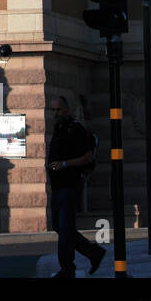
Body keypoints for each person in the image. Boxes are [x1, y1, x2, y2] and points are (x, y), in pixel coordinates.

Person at [47, 95, 106, 277]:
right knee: (59, 226)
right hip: (58, 187)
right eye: (53, 110)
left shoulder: (76, 129)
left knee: (65, 230)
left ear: (67, 110)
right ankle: (93, 252)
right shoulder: (59, 128)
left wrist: (64, 164)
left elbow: (88, 157)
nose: (55, 113)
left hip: (70, 185)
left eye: (59, 110)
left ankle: (67, 269)